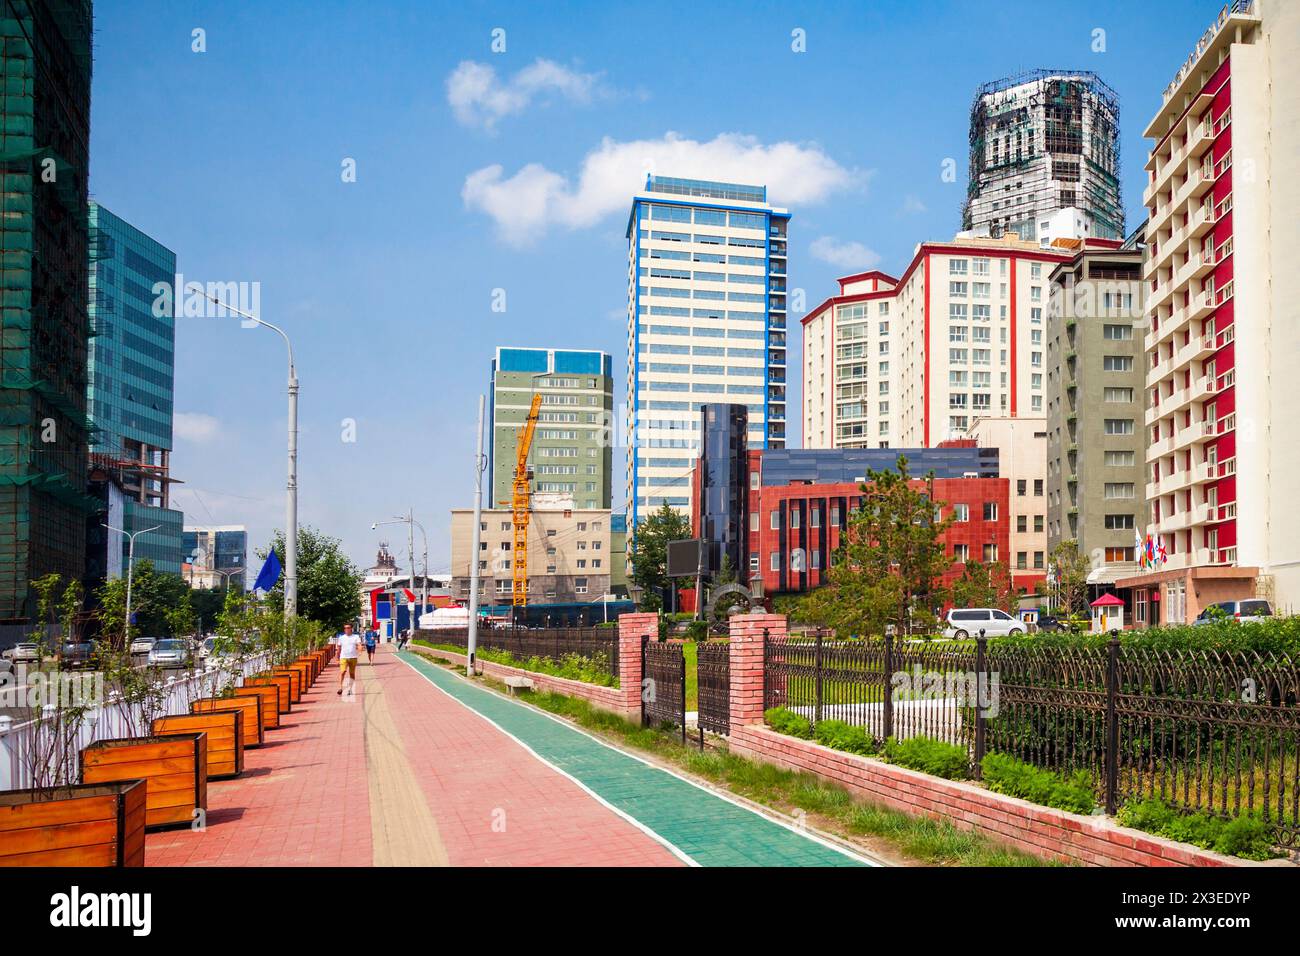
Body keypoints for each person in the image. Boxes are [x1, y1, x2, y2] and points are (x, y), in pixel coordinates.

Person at [337, 623, 362, 695]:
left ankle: (350, 689)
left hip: (353, 657)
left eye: (348, 628)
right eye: (345, 628)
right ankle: (341, 688)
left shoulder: (356, 637)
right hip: (343, 657)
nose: (346, 629)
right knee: (343, 672)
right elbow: (338, 648)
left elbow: (359, 644)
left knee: (352, 674)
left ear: (351, 628)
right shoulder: (341, 637)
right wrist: (337, 658)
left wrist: (360, 651)